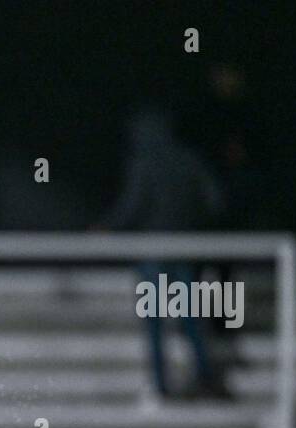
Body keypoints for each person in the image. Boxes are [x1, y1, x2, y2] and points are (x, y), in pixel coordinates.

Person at [98, 109, 228, 398]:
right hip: (183, 249)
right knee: (190, 317)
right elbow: (215, 200)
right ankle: (204, 376)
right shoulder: (188, 160)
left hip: (153, 252)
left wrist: (108, 227)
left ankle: (161, 384)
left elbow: (132, 206)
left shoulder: (143, 164)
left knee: (155, 321)